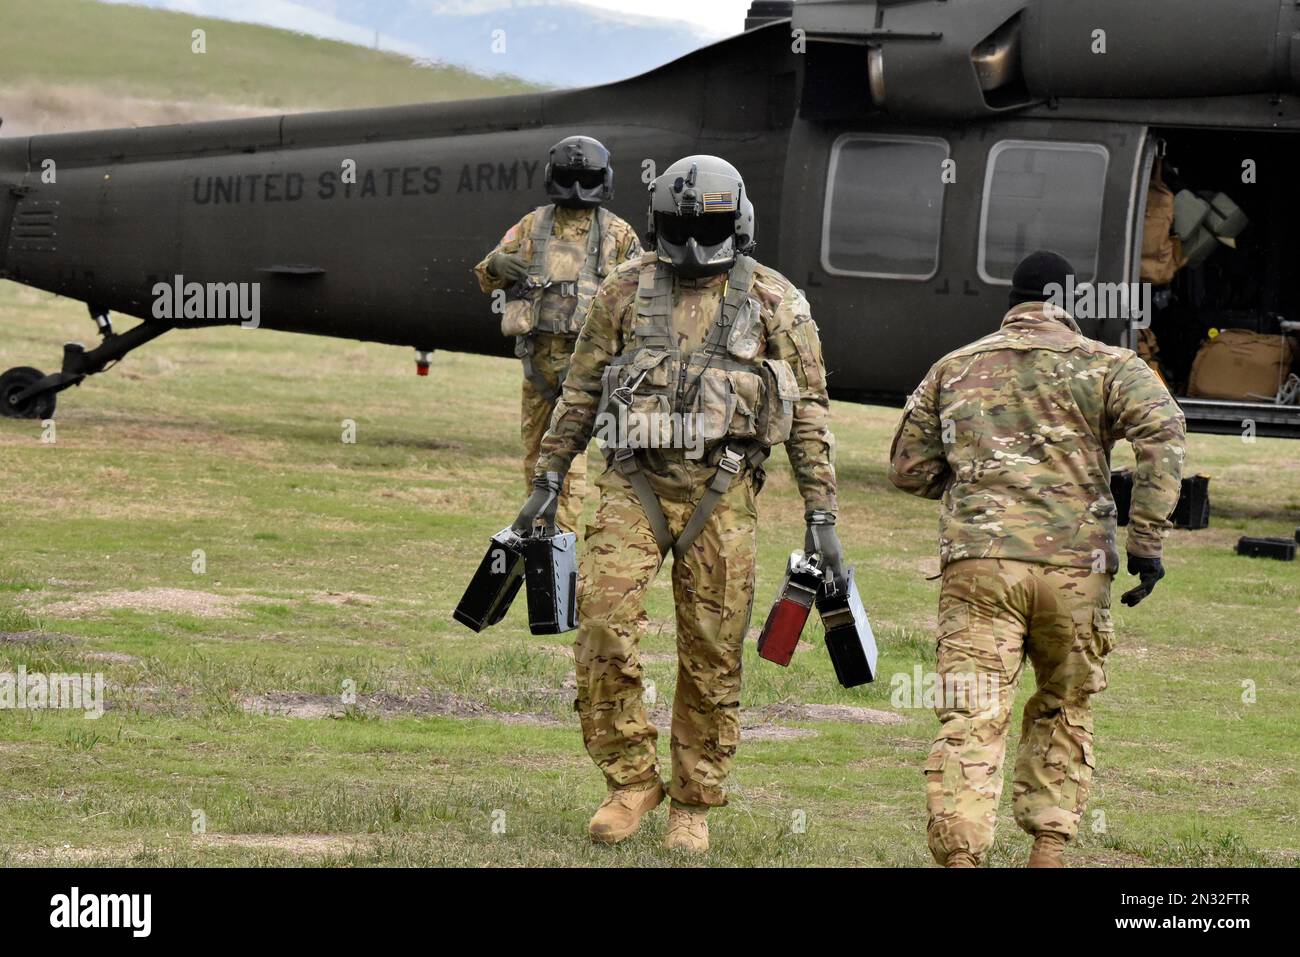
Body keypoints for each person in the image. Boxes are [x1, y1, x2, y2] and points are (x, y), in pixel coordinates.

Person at [512, 155, 840, 852]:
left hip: (721, 493)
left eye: (709, 226)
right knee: (600, 623)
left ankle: (694, 799)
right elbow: (579, 390)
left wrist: (822, 517)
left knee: (714, 651)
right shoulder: (624, 292)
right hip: (633, 481)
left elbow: (808, 414)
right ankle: (631, 778)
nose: (694, 244)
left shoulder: (777, 302)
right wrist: (547, 480)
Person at [889, 250, 1186, 868]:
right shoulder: (1113, 366)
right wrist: (1146, 540)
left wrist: (975, 482)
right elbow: (1164, 432)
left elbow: (908, 469)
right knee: (1063, 702)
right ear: (1070, 300)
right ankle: (1048, 847)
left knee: (972, 712)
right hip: (1076, 569)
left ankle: (962, 857)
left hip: (980, 566)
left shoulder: (955, 366)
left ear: (1012, 298)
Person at [474, 135, 641, 532]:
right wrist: (498, 264)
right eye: (571, 177)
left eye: (586, 178)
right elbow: (485, 275)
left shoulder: (618, 234)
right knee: (537, 460)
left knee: (574, 460)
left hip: (588, 371)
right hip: (538, 369)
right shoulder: (533, 225)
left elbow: (642, 298)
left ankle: (561, 541)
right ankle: (542, 534)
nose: (578, 188)